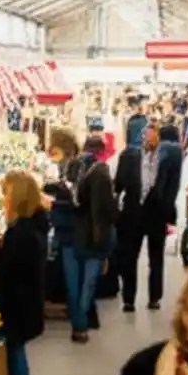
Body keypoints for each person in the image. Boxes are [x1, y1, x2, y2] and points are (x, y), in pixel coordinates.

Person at [0, 172, 48, 375]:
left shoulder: (21, 232)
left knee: (15, 350)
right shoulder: (34, 225)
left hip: (18, 304)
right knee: (15, 350)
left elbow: (9, 270)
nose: (3, 200)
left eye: (6, 194)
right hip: (27, 301)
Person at [113, 125, 181, 312]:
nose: (149, 140)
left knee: (156, 258)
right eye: (146, 137)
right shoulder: (129, 157)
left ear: (159, 139)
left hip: (156, 213)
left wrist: (167, 210)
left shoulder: (168, 158)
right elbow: (118, 184)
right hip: (132, 213)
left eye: (153, 137)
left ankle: (154, 298)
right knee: (129, 257)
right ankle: (128, 299)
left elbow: (173, 186)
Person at [69, 135, 117, 342]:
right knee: (88, 283)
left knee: (76, 283)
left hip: (77, 234)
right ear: (101, 151)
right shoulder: (101, 172)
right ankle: (81, 326)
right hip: (96, 236)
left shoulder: (74, 168)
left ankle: (80, 322)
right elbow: (106, 210)